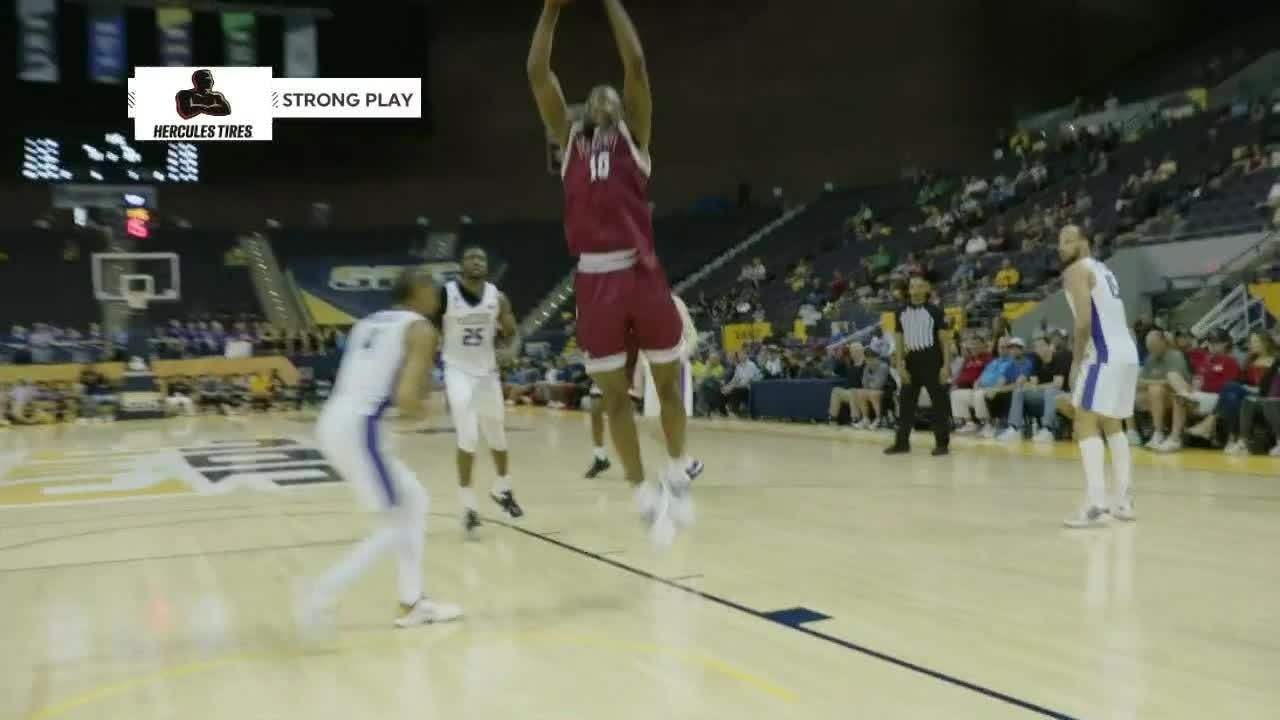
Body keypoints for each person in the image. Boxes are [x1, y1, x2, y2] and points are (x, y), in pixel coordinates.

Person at [528, 0, 694, 545]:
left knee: (668, 383)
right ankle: (641, 490)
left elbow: (638, 64)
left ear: (623, 109)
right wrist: (551, 14)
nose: (603, 98)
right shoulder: (570, 144)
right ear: (582, 112)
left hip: (642, 272)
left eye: (612, 96)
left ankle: (676, 468)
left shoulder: (635, 140)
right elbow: (537, 74)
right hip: (594, 280)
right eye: (594, 97)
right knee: (612, 396)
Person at [297, 268, 462, 630]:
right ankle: (322, 591)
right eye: (432, 288)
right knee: (395, 524)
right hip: (361, 428)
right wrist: (427, 413)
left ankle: (413, 602)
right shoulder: (421, 329)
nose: (437, 295)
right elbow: (405, 398)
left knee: (414, 499)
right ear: (418, 291)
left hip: (337, 419)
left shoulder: (366, 323)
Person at [1058, 225, 1140, 528]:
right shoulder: (1105, 270)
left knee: (1084, 421)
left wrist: (1077, 361)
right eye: (1059, 242)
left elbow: (1083, 323)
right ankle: (1124, 500)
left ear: (1084, 242)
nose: (1062, 247)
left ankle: (1096, 505)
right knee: (1112, 423)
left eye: (1068, 240)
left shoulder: (1076, 271)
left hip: (1103, 354)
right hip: (1127, 351)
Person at [439, 247, 524, 533]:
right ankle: (467, 505)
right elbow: (426, 327)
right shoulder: (446, 294)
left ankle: (503, 487)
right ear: (461, 265)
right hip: (457, 370)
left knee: (497, 434)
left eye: (482, 259)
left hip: (487, 372)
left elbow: (512, 334)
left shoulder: (497, 297)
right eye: (471, 258)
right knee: (469, 435)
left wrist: (510, 352)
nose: (477, 262)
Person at [885, 275, 952, 455]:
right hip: (911, 360)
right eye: (912, 286)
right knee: (906, 403)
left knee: (939, 404)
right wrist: (900, 364)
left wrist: (946, 366)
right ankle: (902, 443)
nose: (914, 290)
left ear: (926, 289)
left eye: (919, 286)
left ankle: (942, 443)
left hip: (932, 359)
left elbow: (944, 340)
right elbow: (899, 339)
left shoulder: (936, 311)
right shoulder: (900, 312)